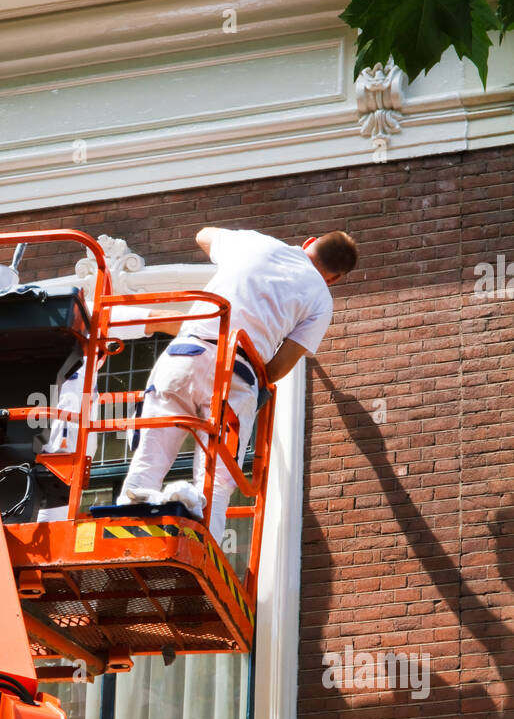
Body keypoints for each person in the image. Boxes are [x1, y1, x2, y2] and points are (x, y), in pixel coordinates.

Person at [117, 227, 358, 544]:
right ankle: (203, 553)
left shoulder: (255, 243)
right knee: (215, 479)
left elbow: (203, 235)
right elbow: (278, 368)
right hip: (235, 377)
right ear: (334, 278)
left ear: (309, 243)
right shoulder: (320, 300)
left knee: (149, 458)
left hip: (183, 356)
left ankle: (125, 538)